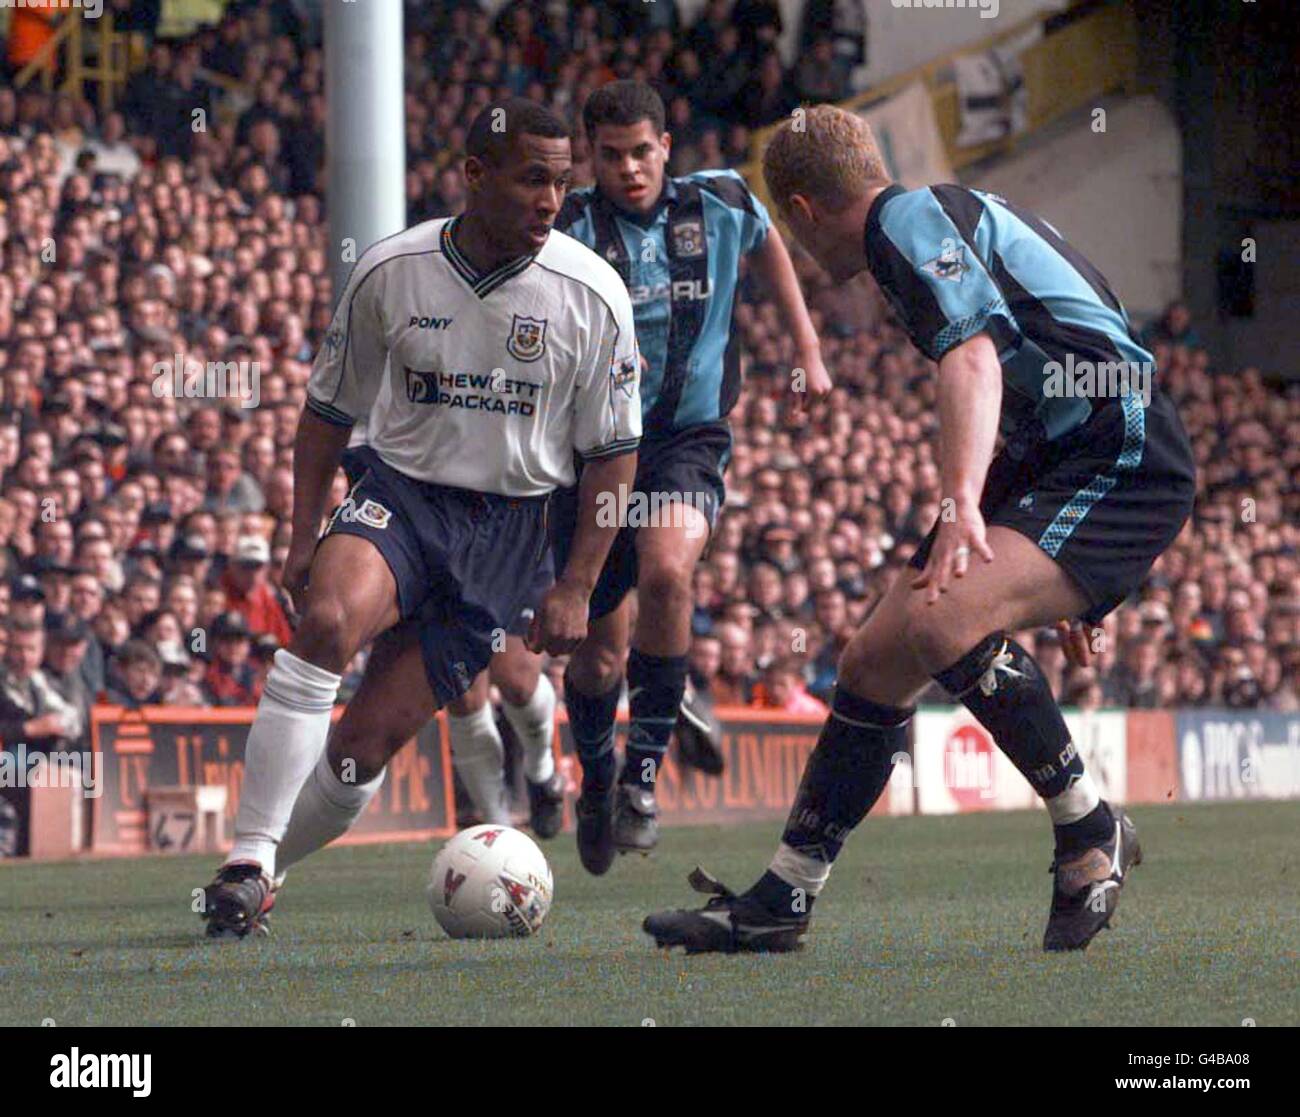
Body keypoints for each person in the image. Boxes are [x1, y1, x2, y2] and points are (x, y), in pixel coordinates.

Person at [645, 104, 1197, 954]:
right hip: (1061, 452)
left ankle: (1090, 827)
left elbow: (973, 358)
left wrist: (965, 500)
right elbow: (1089, 318)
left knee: (943, 618)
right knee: (873, 660)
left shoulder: (904, 224)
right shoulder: (953, 214)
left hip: (1115, 453)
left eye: (791, 234)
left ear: (800, 212)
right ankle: (784, 897)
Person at [197, 99, 641, 938]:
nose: (551, 199)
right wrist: (300, 535)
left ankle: (266, 874)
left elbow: (615, 453)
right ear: (473, 175)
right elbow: (327, 409)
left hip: (508, 536)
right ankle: (248, 856)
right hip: (401, 496)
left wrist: (578, 580)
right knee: (325, 619)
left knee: (363, 747)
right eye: (532, 179)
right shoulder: (390, 272)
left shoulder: (593, 295)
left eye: (562, 181)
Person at [450, 81, 831, 876]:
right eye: (611, 155)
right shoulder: (567, 226)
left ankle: (644, 780)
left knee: (668, 573)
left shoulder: (721, 201)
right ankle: (597, 778)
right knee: (593, 656)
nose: (629, 168)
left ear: (666, 146)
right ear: (590, 158)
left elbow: (767, 243)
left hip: (687, 438)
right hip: (588, 455)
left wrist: (807, 347)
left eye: (642, 151)